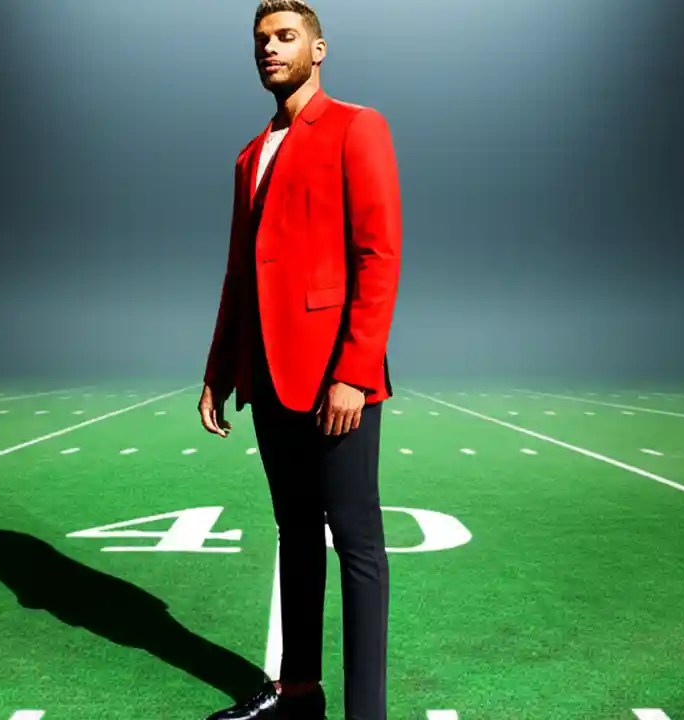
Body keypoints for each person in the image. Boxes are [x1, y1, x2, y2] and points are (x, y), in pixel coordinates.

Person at [196, 1, 402, 717]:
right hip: (266, 374)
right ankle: (299, 692)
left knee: (358, 543)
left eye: (286, 37)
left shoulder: (357, 126)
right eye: (261, 40)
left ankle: (366, 712)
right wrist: (219, 371)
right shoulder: (248, 156)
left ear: (318, 49)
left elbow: (378, 255)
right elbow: (238, 273)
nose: (270, 49)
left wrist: (355, 372)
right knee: (296, 534)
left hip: (336, 377)